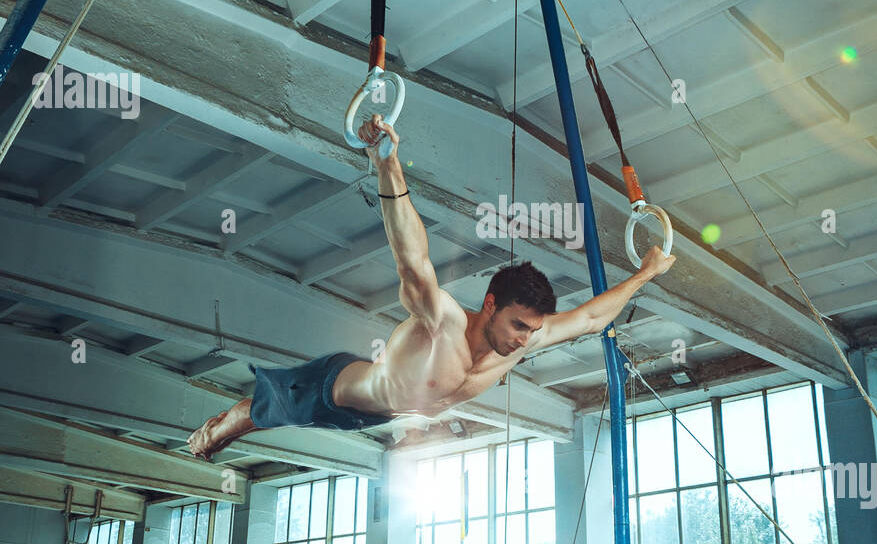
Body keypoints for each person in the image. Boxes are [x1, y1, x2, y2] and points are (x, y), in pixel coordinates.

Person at [187, 113, 675, 459]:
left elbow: (590, 318)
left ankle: (232, 426)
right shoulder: (440, 321)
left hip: (379, 417)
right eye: (518, 325)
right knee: (247, 422)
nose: (524, 339)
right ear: (490, 305)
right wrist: (386, 164)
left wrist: (645, 274)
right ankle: (223, 424)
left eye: (531, 330)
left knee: (262, 422)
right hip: (334, 391)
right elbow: (413, 260)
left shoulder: (524, 342)